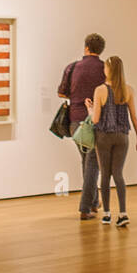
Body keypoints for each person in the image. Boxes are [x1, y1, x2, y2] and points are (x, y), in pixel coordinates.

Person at [85, 55, 137, 227]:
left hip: (103, 137)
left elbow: (95, 120)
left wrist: (89, 108)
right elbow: (134, 117)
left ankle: (107, 214)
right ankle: (123, 213)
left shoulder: (100, 90)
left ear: (108, 70)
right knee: (118, 174)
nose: (103, 70)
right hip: (123, 137)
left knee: (105, 174)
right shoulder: (128, 90)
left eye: (105, 67)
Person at [57, 34, 106, 219]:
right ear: (100, 50)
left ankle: (94, 203)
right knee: (92, 164)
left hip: (75, 121)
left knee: (87, 162)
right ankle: (85, 208)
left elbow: (62, 93)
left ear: (86, 47)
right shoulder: (105, 69)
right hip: (96, 120)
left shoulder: (72, 67)